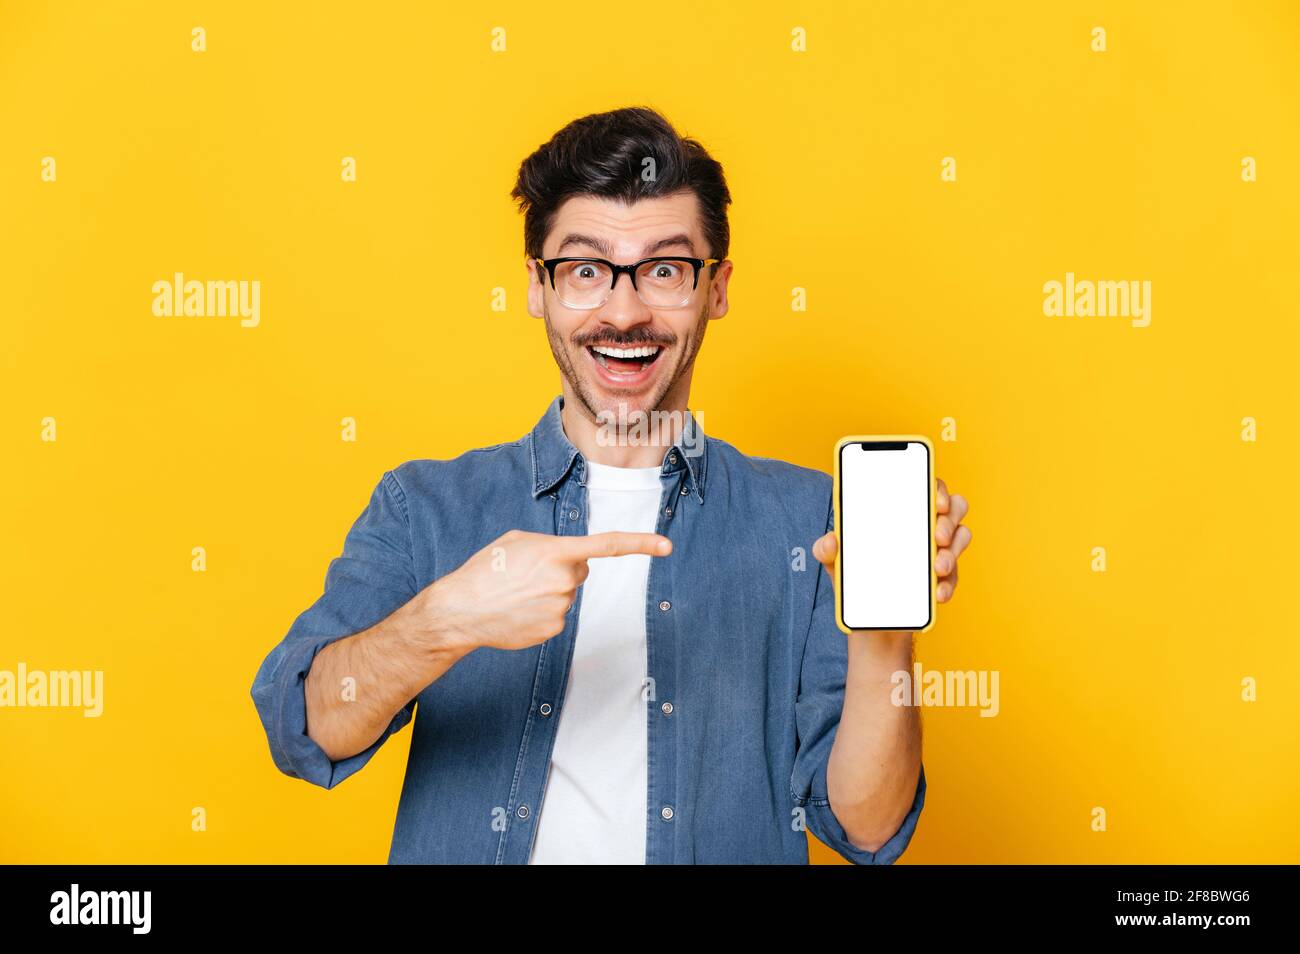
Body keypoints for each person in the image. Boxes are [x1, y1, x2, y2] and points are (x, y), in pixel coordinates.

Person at [250, 105, 972, 864]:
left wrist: (884, 641)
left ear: (716, 287)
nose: (624, 313)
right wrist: (446, 619)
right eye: (586, 270)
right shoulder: (424, 508)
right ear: (537, 286)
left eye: (665, 269)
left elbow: (866, 826)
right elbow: (304, 728)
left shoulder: (813, 524)